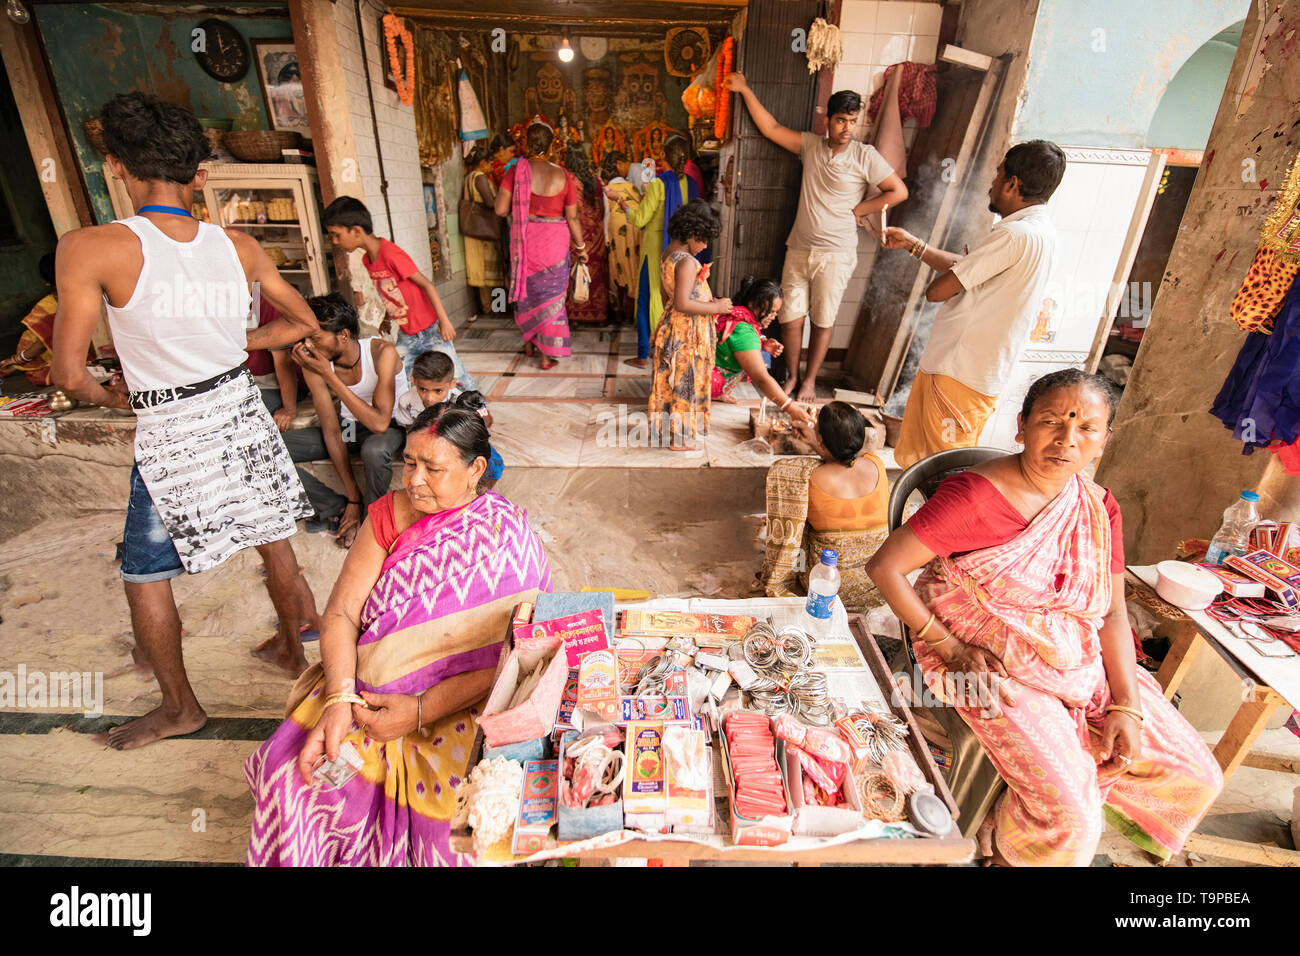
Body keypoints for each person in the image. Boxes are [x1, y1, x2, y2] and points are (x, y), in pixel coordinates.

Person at [50, 92, 322, 747]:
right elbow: (306, 322)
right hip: (241, 413)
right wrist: (233, 348)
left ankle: (180, 709)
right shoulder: (238, 245)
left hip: (175, 432)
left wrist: (117, 398)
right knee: (274, 539)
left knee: (144, 574)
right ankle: (295, 651)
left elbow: (68, 375)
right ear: (196, 171)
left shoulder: (88, 248)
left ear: (117, 165)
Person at [865, 370, 1223, 866]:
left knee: (1195, 772)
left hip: (1074, 656)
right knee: (1073, 819)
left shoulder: (1097, 506)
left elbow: (1113, 612)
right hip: (987, 662)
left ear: (1105, 439)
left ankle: (1013, 813)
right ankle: (1011, 855)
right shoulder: (974, 498)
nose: (1067, 440)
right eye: (1050, 422)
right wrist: (950, 647)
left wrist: (1126, 706)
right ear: (1021, 426)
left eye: (1087, 428)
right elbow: (884, 568)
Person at [245, 408, 552, 866]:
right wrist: (338, 699)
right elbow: (343, 614)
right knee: (289, 774)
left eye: (434, 468)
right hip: (363, 693)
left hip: (464, 701)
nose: (414, 480)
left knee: (453, 822)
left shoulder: (506, 534)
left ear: (476, 470)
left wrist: (421, 710)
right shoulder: (388, 514)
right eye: (409, 463)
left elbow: (520, 656)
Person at [883, 141, 1065, 467]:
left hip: (961, 373)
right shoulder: (1041, 232)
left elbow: (939, 291)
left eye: (998, 175)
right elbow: (973, 270)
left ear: (1013, 183)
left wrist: (947, 282)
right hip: (969, 373)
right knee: (929, 466)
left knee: (944, 472)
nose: (992, 183)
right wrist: (915, 245)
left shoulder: (1016, 235)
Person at [727, 76, 908, 403]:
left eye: (853, 122)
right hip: (799, 248)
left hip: (837, 254)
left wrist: (861, 209)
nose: (847, 128)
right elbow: (770, 128)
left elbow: (899, 191)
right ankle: (793, 377)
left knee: (823, 320)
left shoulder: (864, 156)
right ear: (829, 119)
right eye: (841, 120)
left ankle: (810, 380)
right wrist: (744, 90)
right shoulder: (811, 146)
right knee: (790, 318)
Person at [280, 293, 408, 549]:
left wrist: (329, 376)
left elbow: (380, 423)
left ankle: (372, 522)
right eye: (305, 337)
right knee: (269, 448)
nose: (308, 345)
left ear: (344, 336)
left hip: (390, 427)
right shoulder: (315, 365)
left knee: (374, 449)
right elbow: (332, 430)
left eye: (315, 338)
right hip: (350, 429)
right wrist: (352, 497)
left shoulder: (382, 352)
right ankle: (333, 505)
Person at [321, 196, 475, 392]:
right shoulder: (368, 260)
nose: (335, 241)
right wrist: (387, 316)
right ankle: (413, 414)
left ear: (357, 230)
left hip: (429, 330)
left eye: (336, 235)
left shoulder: (391, 254)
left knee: (455, 374)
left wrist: (444, 321)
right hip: (407, 333)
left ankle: (480, 409)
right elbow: (387, 291)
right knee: (400, 374)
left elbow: (427, 285)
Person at [762, 402, 888, 610]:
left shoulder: (805, 477)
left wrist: (816, 443)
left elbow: (831, 462)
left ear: (820, 439)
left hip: (829, 586)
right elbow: (843, 459)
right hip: (879, 583)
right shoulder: (877, 464)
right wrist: (817, 442)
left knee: (798, 519)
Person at [495, 120, 590, 370]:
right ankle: (546, 355)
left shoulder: (516, 171)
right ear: (551, 147)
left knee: (527, 294)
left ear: (526, 143)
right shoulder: (563, 175)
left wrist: (522, 206)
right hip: (554, 243)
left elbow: (500, 208)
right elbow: (573, 217)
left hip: (526, 240)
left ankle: (529, 342)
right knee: (551, 298)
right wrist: (581, 248)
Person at [648, 200, 727, 451]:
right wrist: (716, 308)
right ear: (693, 233)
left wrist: (706, 300)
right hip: (687, 334)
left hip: (674, 327)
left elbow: (668, 296)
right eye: (704, 240)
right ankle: (679, 440)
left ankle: (670, 432)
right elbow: (683, 302)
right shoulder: (687, 262)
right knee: (685, 382)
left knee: (674, 382)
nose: (704, 246)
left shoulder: (668, 256)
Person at [615, 137, 699, 368]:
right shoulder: (691, 185)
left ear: (665, 156)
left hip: (656, 250)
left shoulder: (658, 184)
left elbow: (640, 218)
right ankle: (672, 348)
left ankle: (644, 354)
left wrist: (621, 202)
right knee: (676, 297)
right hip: (684, 251)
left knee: (647, 298)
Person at [394, 350, 505, 489]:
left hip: (457, 442)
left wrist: (482, 416)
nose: (430, 398)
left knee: (496, 464)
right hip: (423, 445)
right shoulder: (406, 401)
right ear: (413, 380)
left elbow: (485, 421)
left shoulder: (461, 400)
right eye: (423, 389)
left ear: (452, 383)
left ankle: (478, 497)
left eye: (438, 391)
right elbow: (409, 429)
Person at [712, 276, 811, 415]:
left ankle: (717, 392)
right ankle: (711, 392)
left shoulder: (738, 313)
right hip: (705, 381)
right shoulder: (744, 331)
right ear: (753, 305)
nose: (774, 316)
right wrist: (791, 408)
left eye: (776, 312)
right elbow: (761, 378)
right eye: (770, 311)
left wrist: (762, 343)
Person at [0, 253, 93, 385]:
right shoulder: (89, 293)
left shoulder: (49, 306)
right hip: (86, 352)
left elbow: (43, 343)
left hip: (76, 358)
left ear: (47, 282)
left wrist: (16, 360)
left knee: (39, 373)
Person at [564, 145, 611, 326]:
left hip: (577, 234)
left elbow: (573, 212)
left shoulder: (569, 180)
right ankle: (598, 315)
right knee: (596, 276)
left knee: (575, 273)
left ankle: (576, 315)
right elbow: (601, 208)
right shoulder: (595, 180)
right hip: (597, 234)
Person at [463, 144, 506, 318]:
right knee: (494, 273)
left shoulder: (469, 177)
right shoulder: (480, 177)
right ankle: (498, 308)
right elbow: (490, 203)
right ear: (482, 163)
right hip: (484, 233)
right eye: (489, 163)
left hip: (476, 232)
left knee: (482, 275)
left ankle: (488, 307)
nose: (490, 167)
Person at [601, 151, 642, 327]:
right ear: (618, 165)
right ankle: (629, 313)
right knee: (633, 267)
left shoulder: (607, 189)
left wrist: (605, 238)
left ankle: (618, 313)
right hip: (634, 229)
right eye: (626, 163)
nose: (628, 168)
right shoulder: (631, 187)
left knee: (617, 268)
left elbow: (606, 214)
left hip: (616, 229)